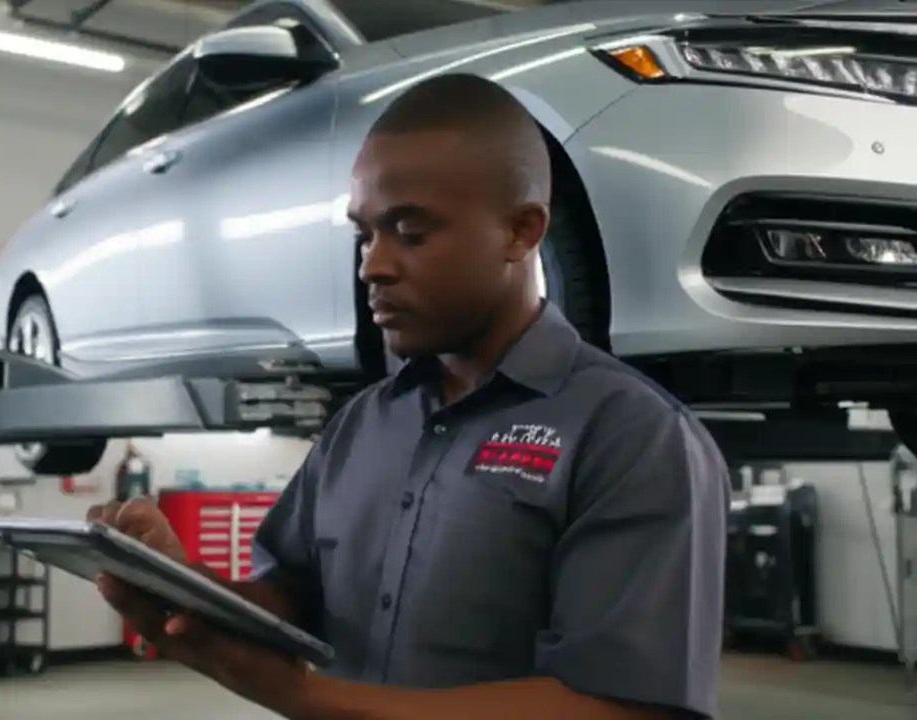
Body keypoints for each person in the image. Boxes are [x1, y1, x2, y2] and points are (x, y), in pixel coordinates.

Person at [87, 73, 729, 719]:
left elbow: (624, 706)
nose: (373, 265)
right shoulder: (361, 426)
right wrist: (183, 588)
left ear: (521, 232)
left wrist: (302, 696)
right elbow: (287, 597)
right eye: (365, 234)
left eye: (410, 233)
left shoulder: (631, 437)